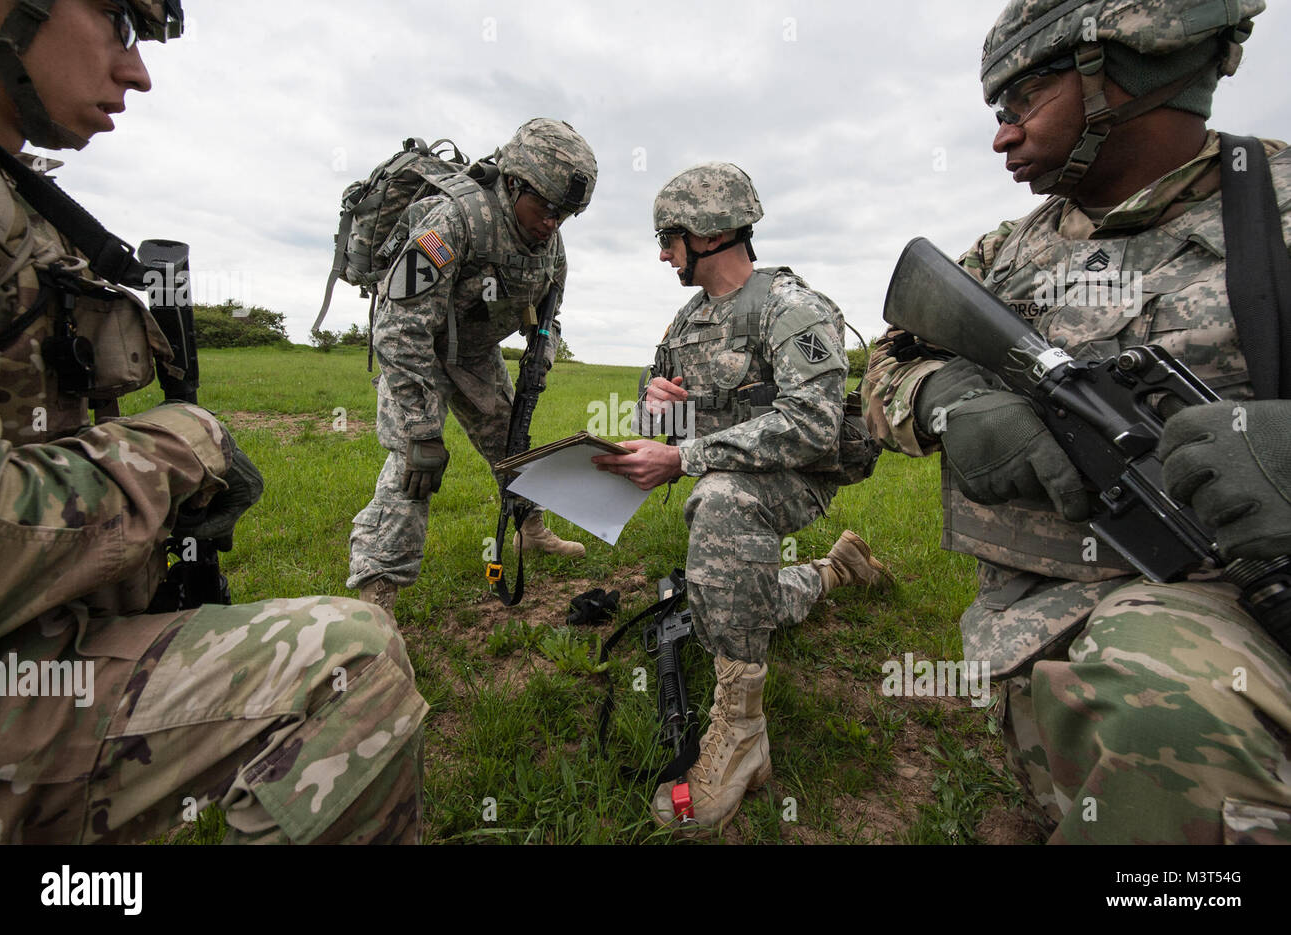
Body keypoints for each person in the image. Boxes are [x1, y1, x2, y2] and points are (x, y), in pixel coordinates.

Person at [0, 0, 426, 844]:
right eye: (119, 23)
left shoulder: (21, 203)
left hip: (40, 645)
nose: (137, 70)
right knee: (352, 663)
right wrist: (180, 445)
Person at [863, 0, 1291, 844]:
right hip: (1036, 624)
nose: (1002, 137)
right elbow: (888, 364)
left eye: (1021, 102)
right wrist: (945, 398)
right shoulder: (1003, 254)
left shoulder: (1272, 211)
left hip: (1234, 611)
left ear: (1120, 69)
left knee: (1166, 715)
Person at [593, 162, 891, 835]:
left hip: (801, 472)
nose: (662, 252)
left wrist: (684, 456)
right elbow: (658, 425)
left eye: (669, 236)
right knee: (725, 597)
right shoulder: (687, 321)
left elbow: (814, 426)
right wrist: (656, 411)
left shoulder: (793, 308)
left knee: (720, 504)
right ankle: (835, 571)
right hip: (729, 469)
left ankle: (744, 733)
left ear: (713, 230)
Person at [347, 118, 598, 617]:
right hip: (417, 355)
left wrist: (540, 362)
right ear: (512, 183)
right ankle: (377, 594)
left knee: (512, 445)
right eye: (545, 207)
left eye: (565, 214)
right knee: (413, 469)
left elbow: (548, 321)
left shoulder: (551, 248)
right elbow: (398, 328)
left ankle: (531, 531)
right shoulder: (453, 221)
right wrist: (421, 428)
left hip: (475, 354)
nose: (553, 222)